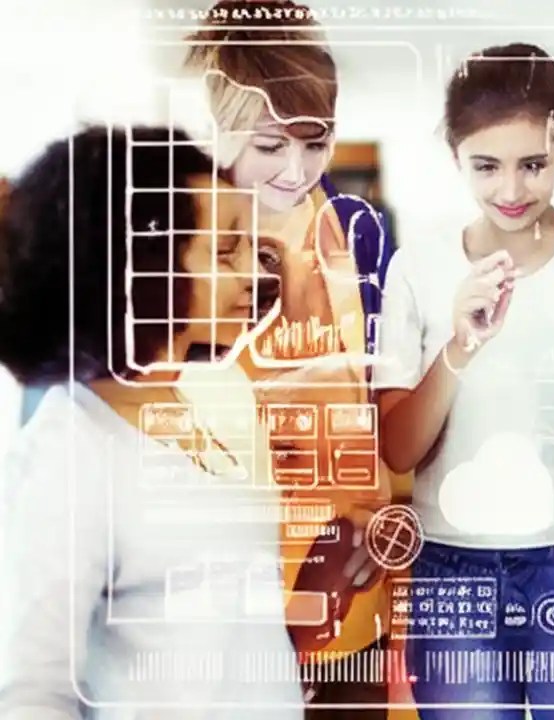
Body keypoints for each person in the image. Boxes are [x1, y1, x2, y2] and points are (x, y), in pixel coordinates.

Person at [372, 42, 554, 719]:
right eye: (487, 166)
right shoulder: (417, 269)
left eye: (533, 165)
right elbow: (397, 449)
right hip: (451, 569)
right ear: (456, 157)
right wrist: (459, 347)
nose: (512, 191)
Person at [0, 126, 317, 716]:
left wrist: (330, 569)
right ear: (139, 265)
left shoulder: (220, 400)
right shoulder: (70, 453)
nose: (254, 274)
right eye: (225, 251)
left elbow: (231, 629)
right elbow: (31, 694)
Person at [182, 2, 403, 713]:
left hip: (358, 565)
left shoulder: (355, 233)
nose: (296, 169)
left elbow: (382, 393)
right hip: (239, 591)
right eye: (271, 146)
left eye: (315, 143)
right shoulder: (181, 255)